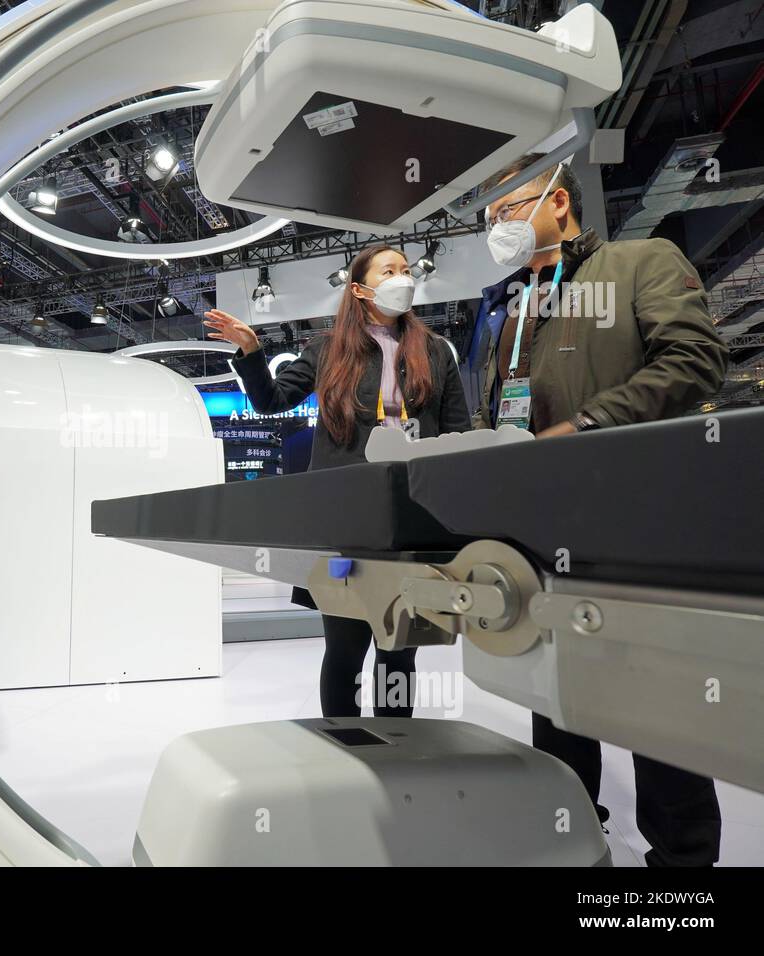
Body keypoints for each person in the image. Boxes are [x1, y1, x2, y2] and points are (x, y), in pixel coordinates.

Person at [474, 152, 729, 866]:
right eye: (491, 218)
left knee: (658, 713)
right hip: (544, 537)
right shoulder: (514, 310)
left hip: (640, 530)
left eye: (511, 208)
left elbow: (693, 358)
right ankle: (573, 845)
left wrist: (588, 426)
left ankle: (681, 877)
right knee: (557, 707)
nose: (500, 226)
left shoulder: (639, 262)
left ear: (559, 202)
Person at [204, 244, 470, 720]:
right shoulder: (326, 350)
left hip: (415, 519)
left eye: (407, 270)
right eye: (390, 270)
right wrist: (250, 351)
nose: (403, 277)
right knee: (345, 647)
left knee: (400, 648)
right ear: (359, 288)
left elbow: (457, 432)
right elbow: (271, 400)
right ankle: (344, 742)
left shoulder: (435, 352)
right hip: (346, 522)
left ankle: (395, 746)